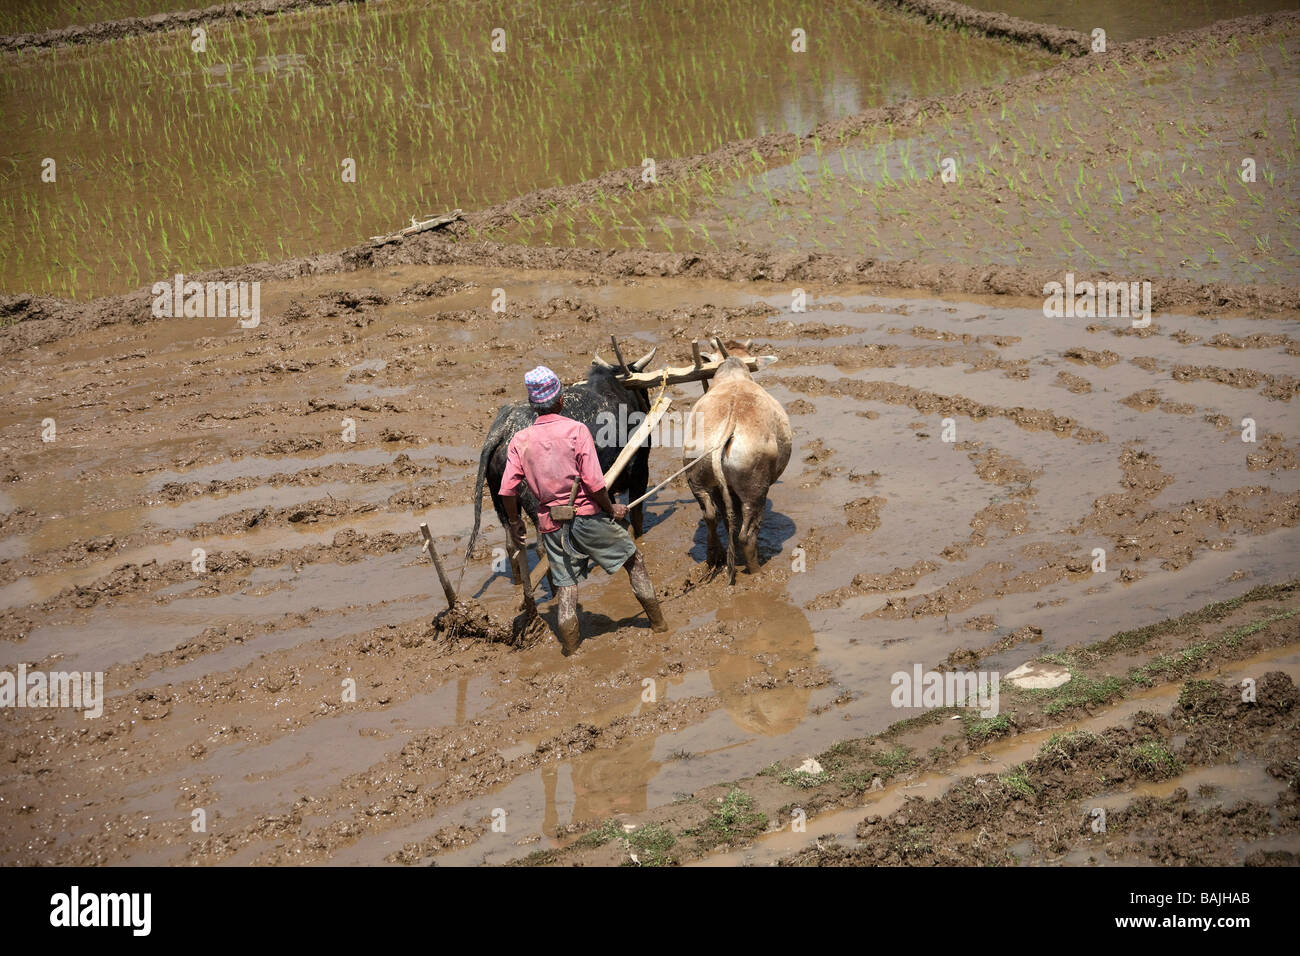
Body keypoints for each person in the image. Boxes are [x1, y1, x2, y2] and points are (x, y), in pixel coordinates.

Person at [499, 366, 668, 655]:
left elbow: (507, 490)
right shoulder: (577, 431)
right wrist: (612, 508)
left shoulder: (520, 440)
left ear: (532, 405)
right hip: (588, 515)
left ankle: (571, 653)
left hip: (551, 524)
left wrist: (515, 522)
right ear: (561, 400)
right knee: (635, 562)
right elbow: (594, 482)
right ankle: (661, 628)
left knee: (566, 591)